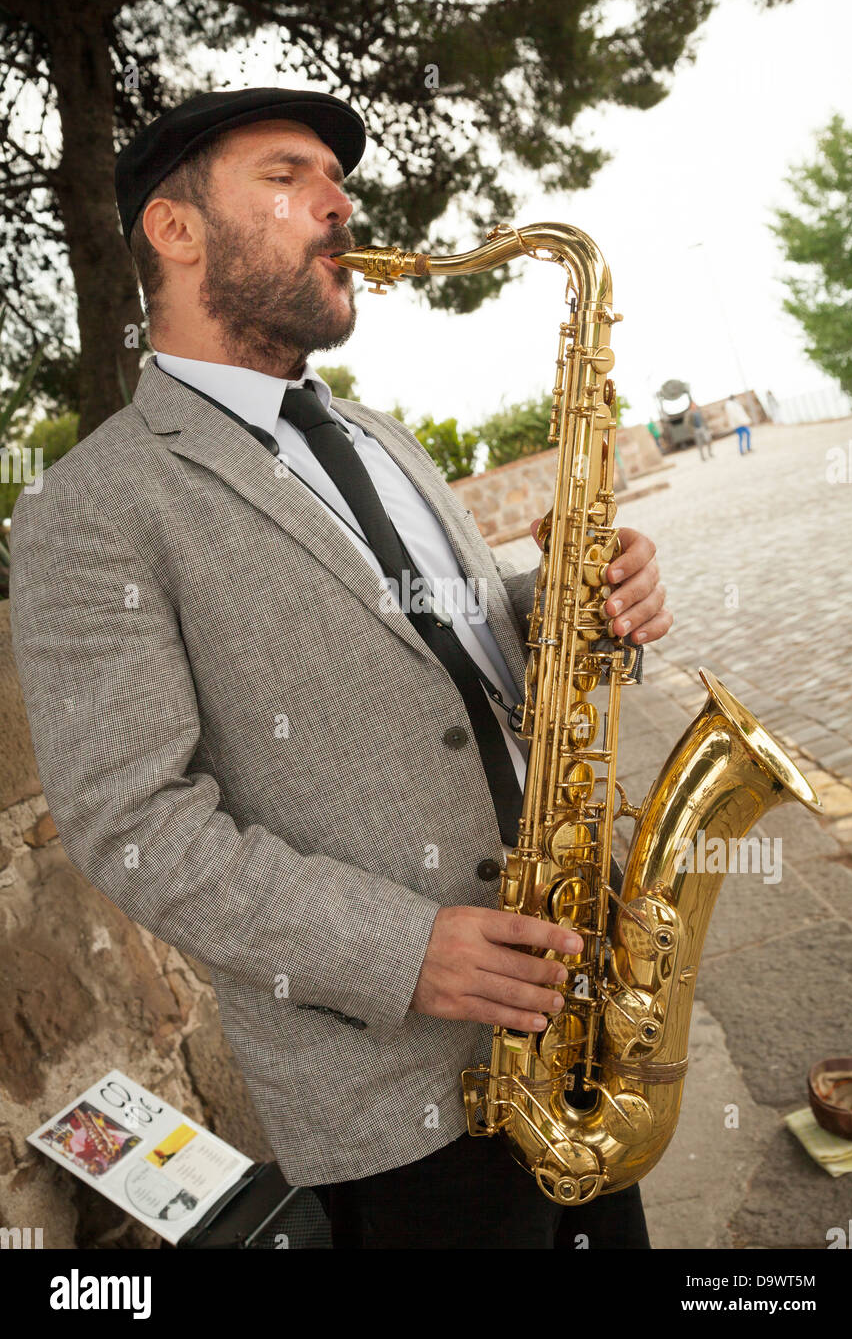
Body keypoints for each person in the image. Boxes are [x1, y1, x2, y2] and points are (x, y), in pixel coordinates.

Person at [9, 88, 672, 1250]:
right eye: (288, 176)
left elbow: (443, 637)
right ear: (175, 230)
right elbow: (132, 822)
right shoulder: (91, 507)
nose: (338, 203)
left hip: (574, 1009)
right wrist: (401, 951)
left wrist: (574, 604)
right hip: (395, 1099)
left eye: (338, 179)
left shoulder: (378, 433)